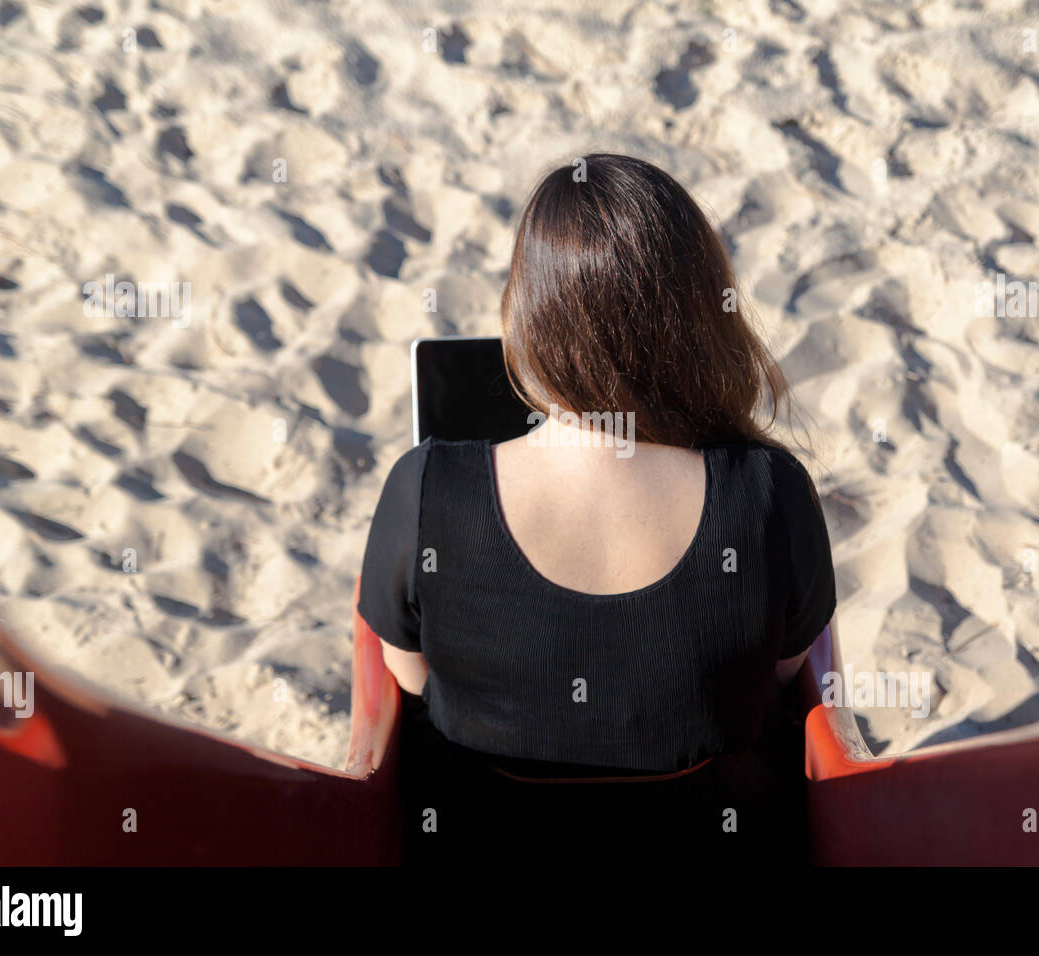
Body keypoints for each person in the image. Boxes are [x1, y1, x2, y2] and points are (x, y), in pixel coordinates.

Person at [358, 153, 837, 865]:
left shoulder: (427, 490)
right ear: (704, 310)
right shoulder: (769, 493)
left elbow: (409, 679)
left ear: (528, 313)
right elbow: (773, 675)